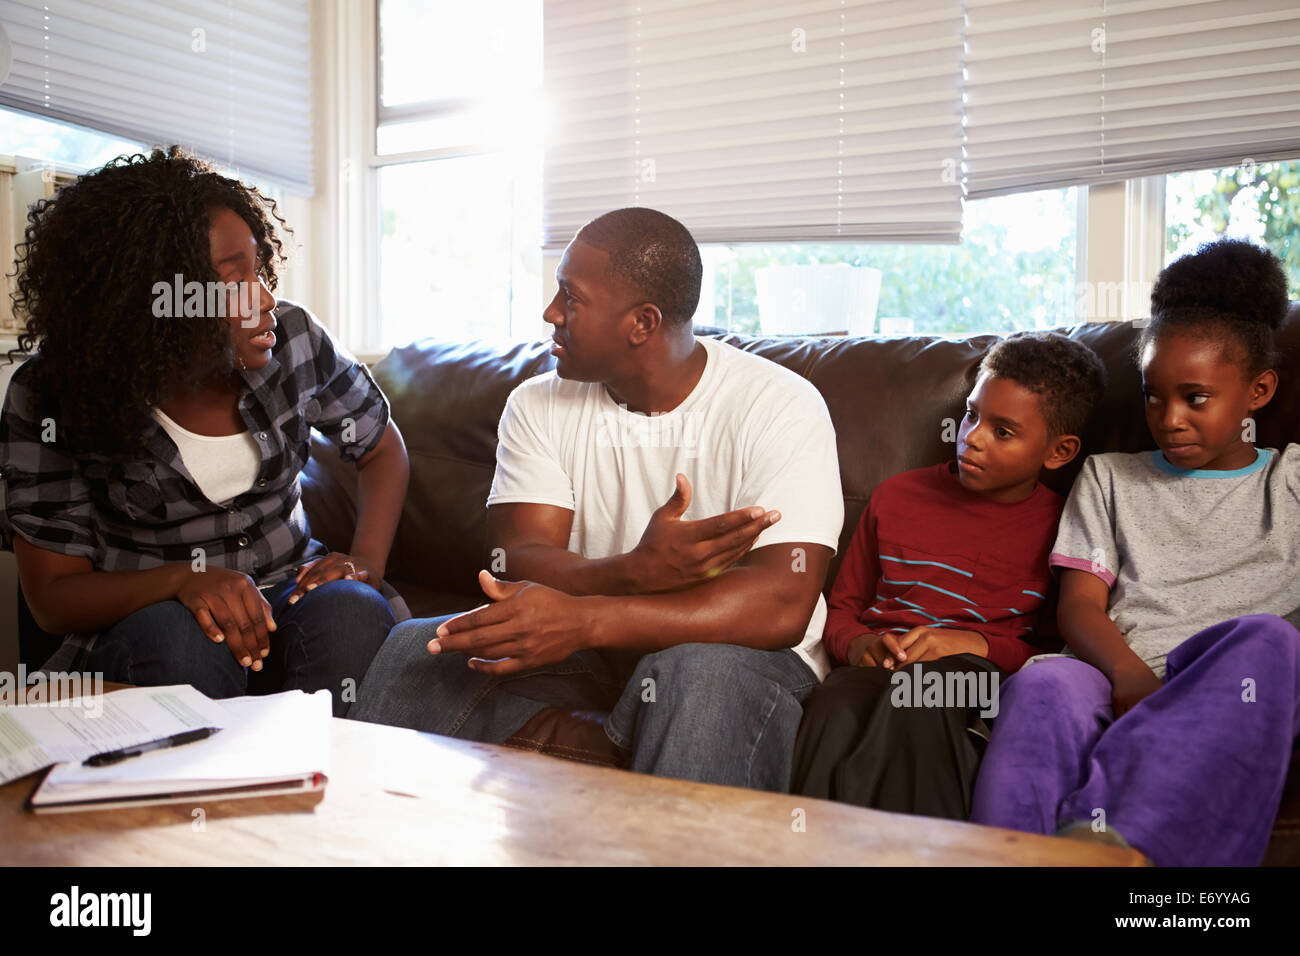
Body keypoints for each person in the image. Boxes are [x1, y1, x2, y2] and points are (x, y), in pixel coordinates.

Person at [352, 206, 843, 792]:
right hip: (592, 653)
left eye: (571, 298)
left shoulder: (781, 405)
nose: (550, 313)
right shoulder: (536, 404)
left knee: (694, 674)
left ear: (642, 322)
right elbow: (520, 559)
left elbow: (781, 603)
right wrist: (635, 572)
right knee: (419, 647)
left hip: (737, 655)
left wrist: (588, 619)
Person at [0, 147, 409, 717]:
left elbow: (381, 446)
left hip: (290, 591)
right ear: (157, 301)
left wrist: (366, 561)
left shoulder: (291, 340)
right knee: (182, 640)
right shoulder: (54, 394)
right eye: (235, 278)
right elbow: (51, 599)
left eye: (260, 267)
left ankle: (325, 791)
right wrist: (182, 582)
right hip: (153, 623)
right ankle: (204, 799)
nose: (266, 297)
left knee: (353, 611)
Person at [970, 239, 1300, 866]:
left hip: (1229, 683)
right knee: (1047, 680)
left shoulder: (1288, 481)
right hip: (1118, 667)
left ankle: (1120, 851)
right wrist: (1126, 673)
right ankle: (1006, 856)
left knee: (1271, 640)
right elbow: (1080, 608)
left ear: (1258, 391)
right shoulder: (1108, 477)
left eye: (1195, 398)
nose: (1169, 417)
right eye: (1153, 395)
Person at [792, 332, 1105, 818]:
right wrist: (857, 646)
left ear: (1059, 452)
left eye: (1003, 432)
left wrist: (971, 644)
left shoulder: (1065, 524)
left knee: (922, 696)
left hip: (984, 678)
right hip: (880, 665)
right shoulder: (895, 497)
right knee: (833, 707)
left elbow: (1058, 649)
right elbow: (843, 609)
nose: (972, 436)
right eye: (972, 415)